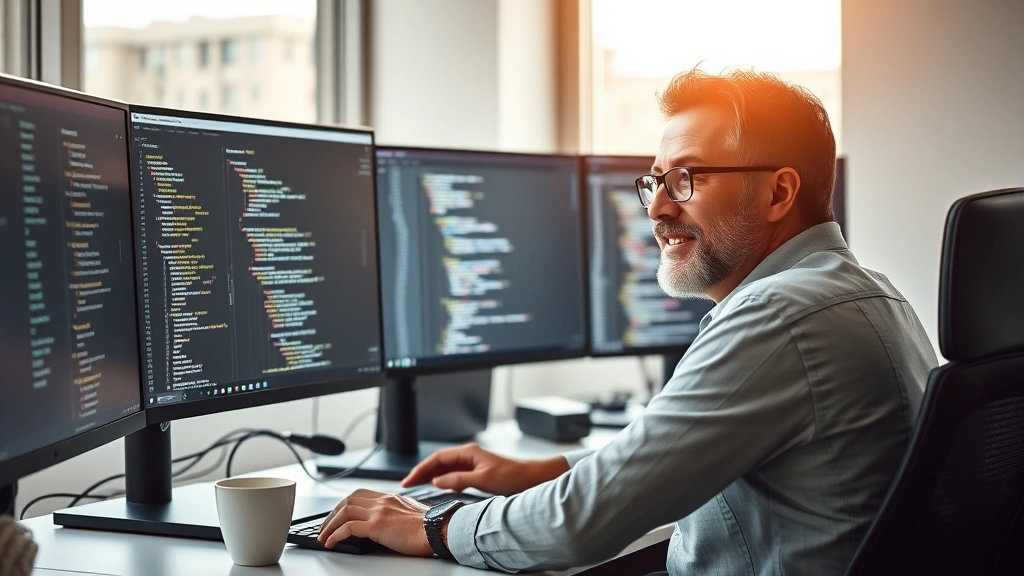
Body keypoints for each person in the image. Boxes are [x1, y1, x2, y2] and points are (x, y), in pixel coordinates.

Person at [316, 69, 938, 575]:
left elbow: (579, 526)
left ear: (778, 193)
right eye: (656, 182)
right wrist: (547, 472)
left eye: (687, 178)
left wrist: (432, 524)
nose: (658, 207)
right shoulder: (874, 295)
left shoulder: (777, 316)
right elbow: (669, 459)